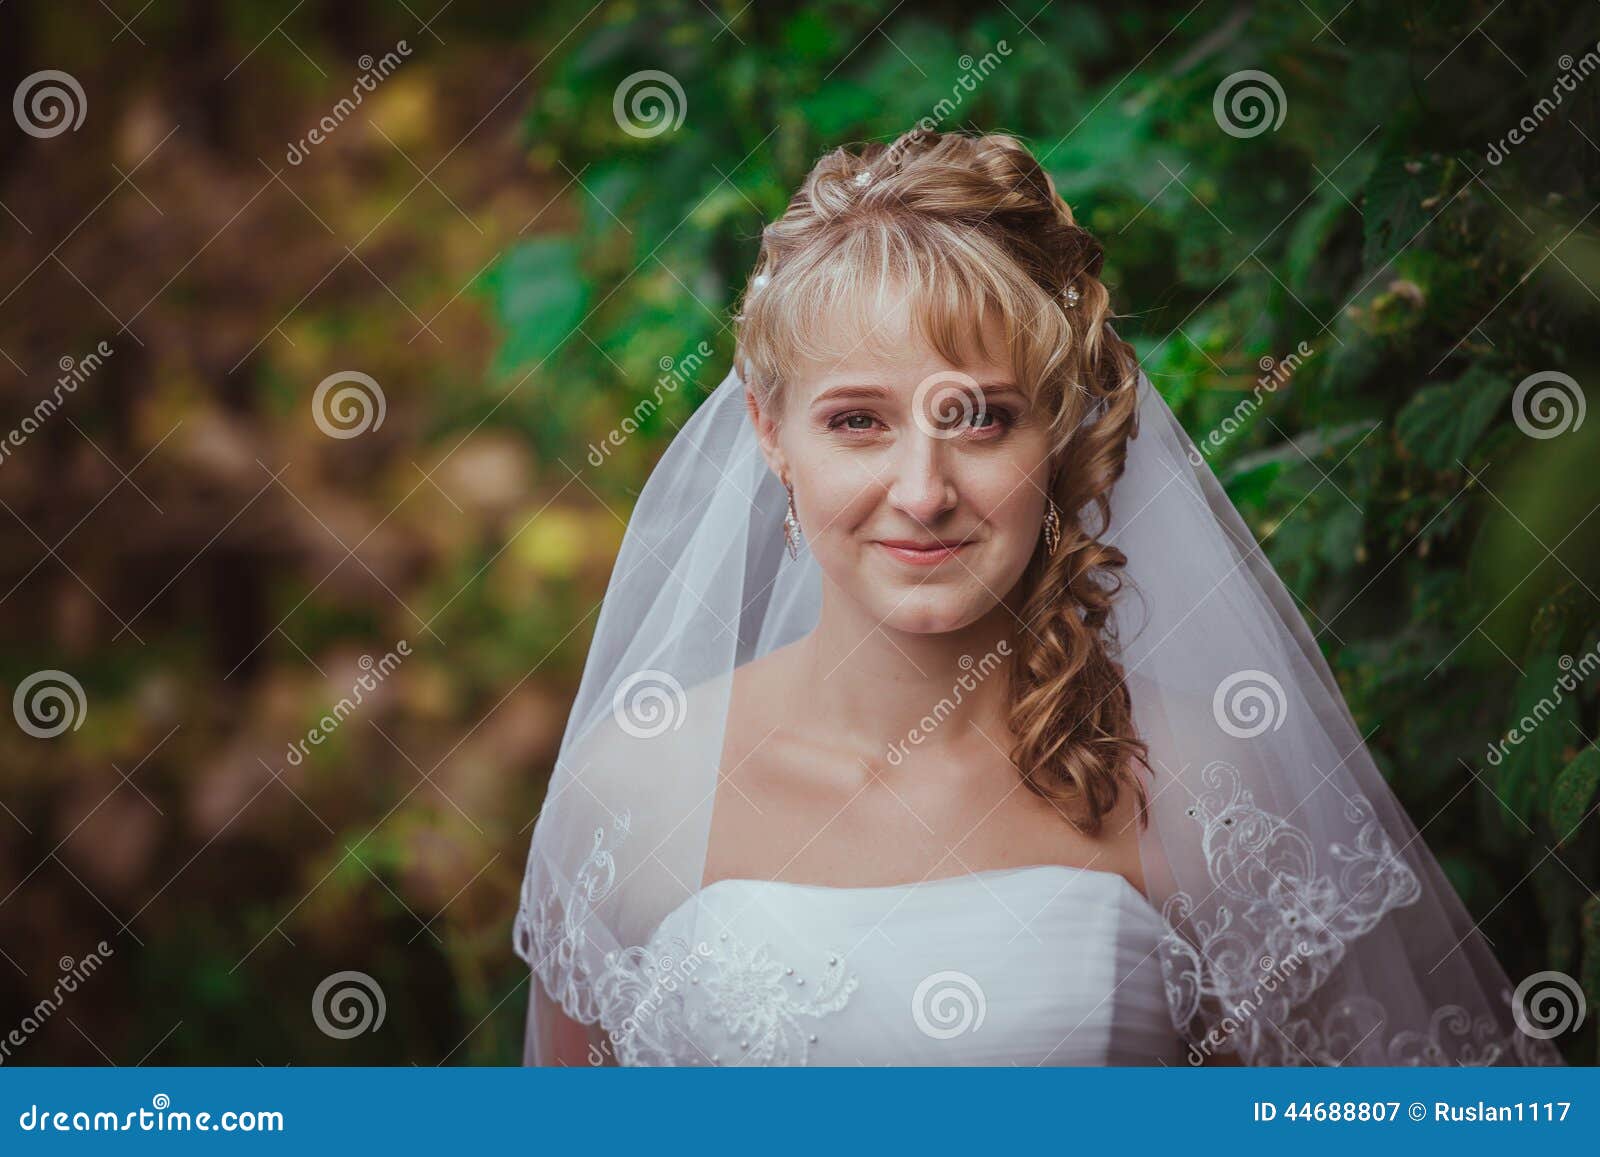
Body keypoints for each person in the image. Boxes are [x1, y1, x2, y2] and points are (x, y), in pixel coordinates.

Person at [513, 127, 1563, 1067]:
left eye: (979, 419)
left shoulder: (1207, 784)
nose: (921, 493)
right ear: (768, 432)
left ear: (1056, 428)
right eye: (856, 422)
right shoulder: (634, 788)